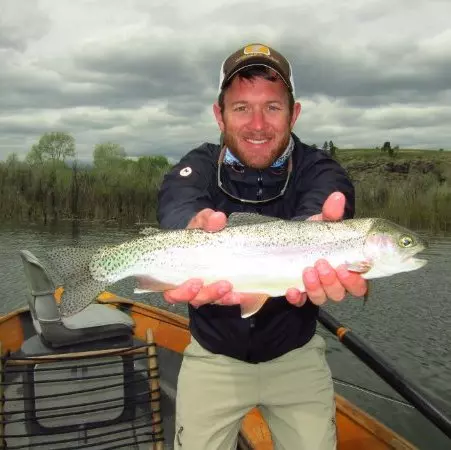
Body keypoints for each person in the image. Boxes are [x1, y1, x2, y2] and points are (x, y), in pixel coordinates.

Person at [156, 43, 368, 450]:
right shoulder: (195, 166)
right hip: (212, 357)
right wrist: (191, 224)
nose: (257, 124)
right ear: (219, 115)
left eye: (272, 107)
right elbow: (178, 201)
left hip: (297, 357)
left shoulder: (320, 168)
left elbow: (327, 200)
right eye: (241, 108)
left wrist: (319, 231)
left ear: (295, 113)